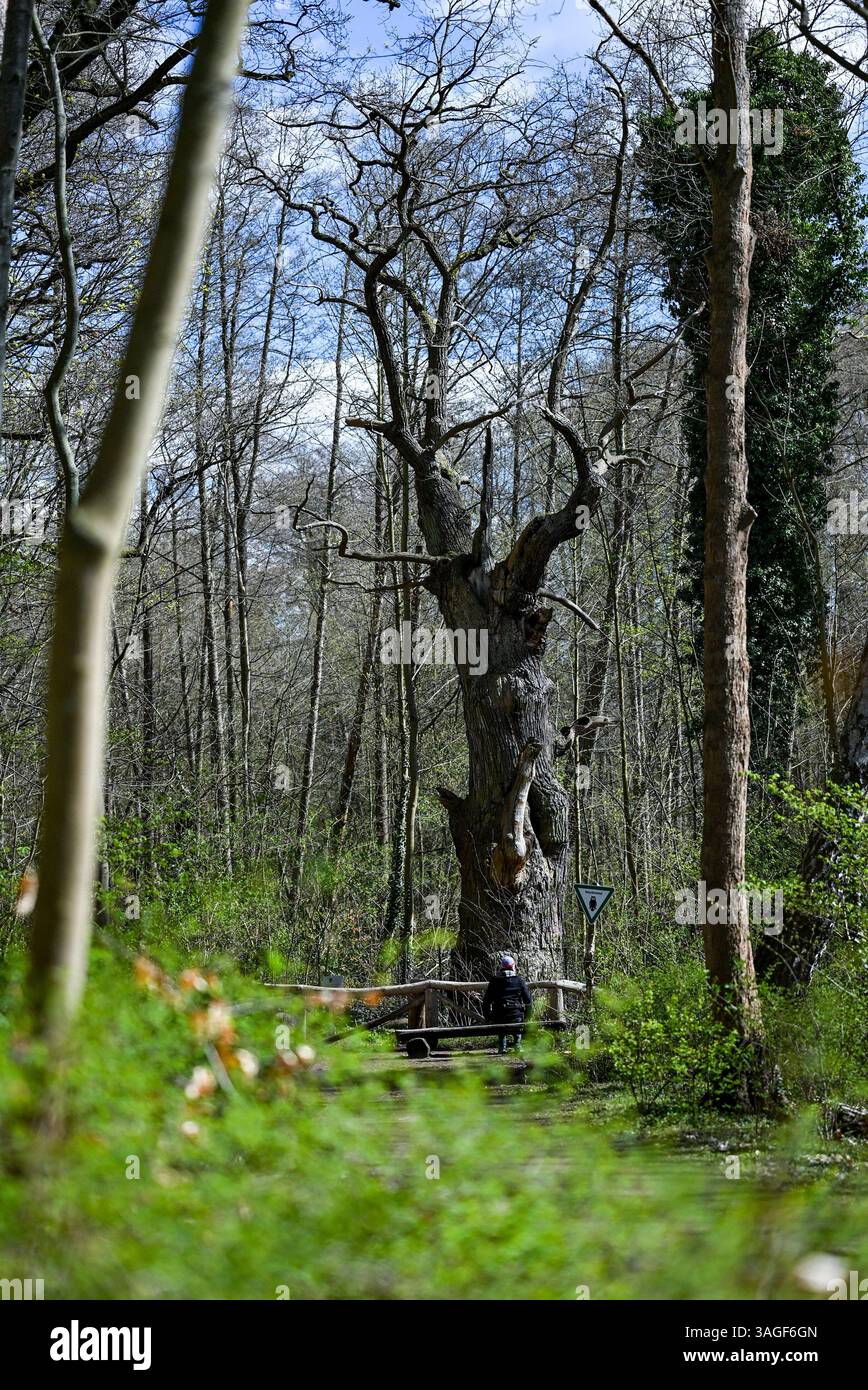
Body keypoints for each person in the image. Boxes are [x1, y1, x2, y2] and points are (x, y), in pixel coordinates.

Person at [483, 953, 532, 1054]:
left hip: (499, 1015)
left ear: (502, 967)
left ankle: (502, 1046)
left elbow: (486, 1001)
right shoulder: (520, 981)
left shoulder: (494, 981)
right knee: (517, 1019)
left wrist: (488, 1017)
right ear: (513, 966)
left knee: (500, 1018)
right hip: (516, 1015)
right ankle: (517, 1045)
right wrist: (528, 1017)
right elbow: (528, 1001)